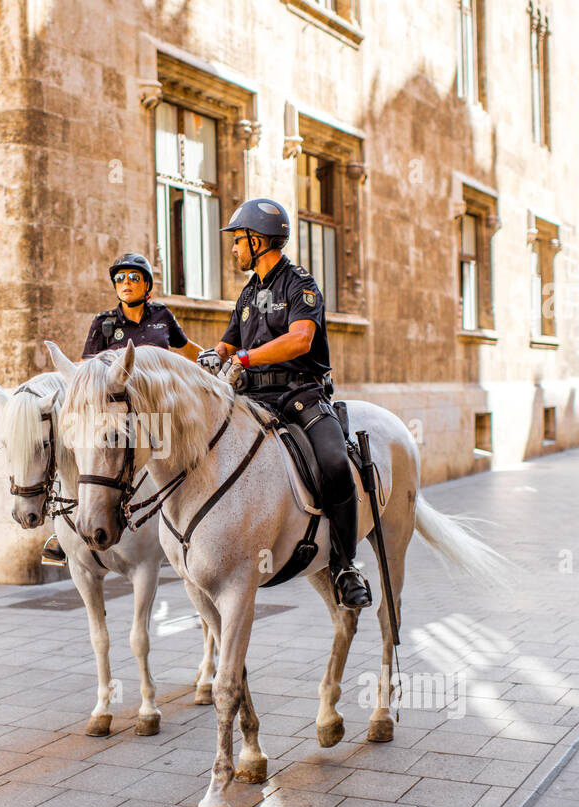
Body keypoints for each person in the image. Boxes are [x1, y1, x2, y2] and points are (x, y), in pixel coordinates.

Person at [197, 198, 371, 608]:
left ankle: (345, 566)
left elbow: (300, 339)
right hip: (252, 395)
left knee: (333, 464)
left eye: (238, 240)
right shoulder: (248, 292)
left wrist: (245, 358)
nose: (234, 248)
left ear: (258, 241)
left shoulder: (300, 284)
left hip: (299, 394)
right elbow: (229, 341)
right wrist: (214, 355)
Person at [43, 254, 205, 565]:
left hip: (158, 414)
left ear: (147, 285)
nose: (126, 284)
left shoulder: (162, 316)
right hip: (115, 414)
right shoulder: (103, 323)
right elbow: (88, 371)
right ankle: (65, 532)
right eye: (120, 279)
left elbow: (188, 351)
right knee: (88, 454)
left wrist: (216, 362)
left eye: (133, 278)